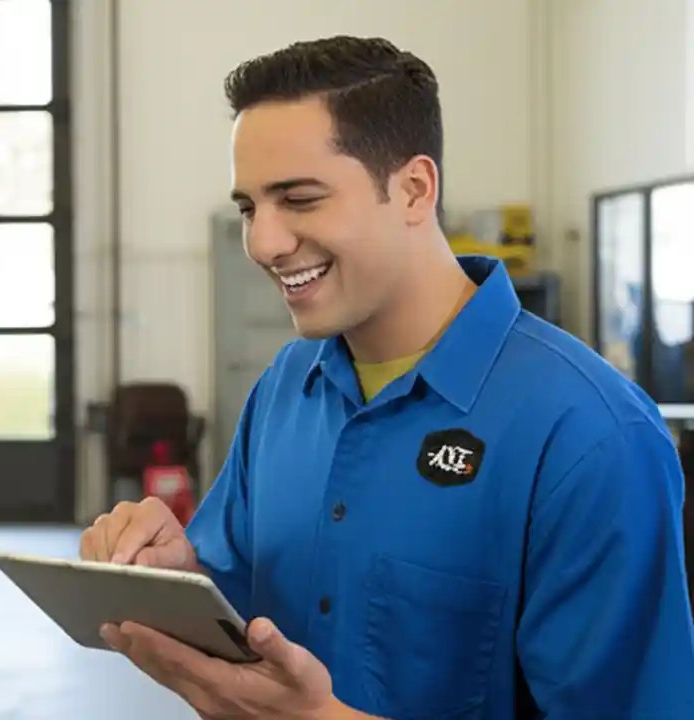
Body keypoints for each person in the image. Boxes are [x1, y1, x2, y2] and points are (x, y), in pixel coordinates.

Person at [81, 36, 694, 719]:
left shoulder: (592, 437)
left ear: (413, 189)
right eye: (251, 207)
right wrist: (173, 573)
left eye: (300, 199)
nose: (264, 242)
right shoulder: (287, 387)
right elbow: (237, 596)